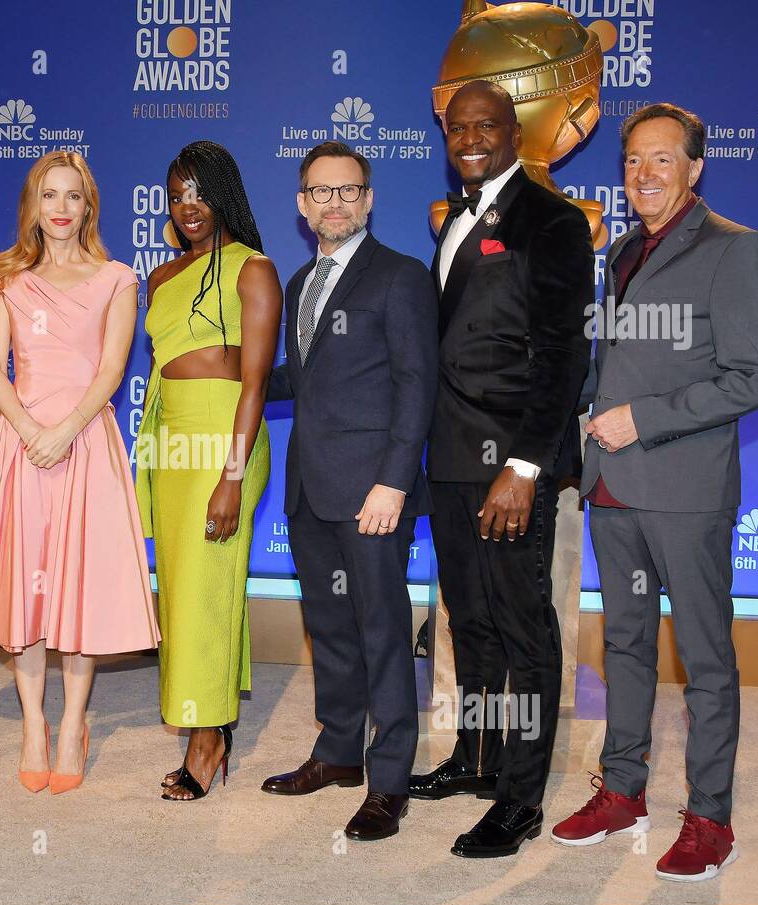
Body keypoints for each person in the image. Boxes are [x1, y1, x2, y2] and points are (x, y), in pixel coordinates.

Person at [552, 103, 758, 881]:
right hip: (612, 486)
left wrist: (641, 419)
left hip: (685, 487)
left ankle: (712, 818)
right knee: (623, 645)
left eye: (661, 159)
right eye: (632, 162)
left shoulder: (733, 249)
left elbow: (756, 376)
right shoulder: (620, 251)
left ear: (694, 167)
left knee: (706, 659)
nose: (643, 175)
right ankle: (623, 790)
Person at [411, 81, 593, 858]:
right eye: (460, 128)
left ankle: (519, 798)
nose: (473, 138)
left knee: (524, 628)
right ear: (445, 136)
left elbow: (563, 354)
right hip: (451, 458)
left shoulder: (552, 220)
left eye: (488, 126)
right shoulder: (455, 216)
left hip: (510, 462)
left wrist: (525, 464)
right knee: (471, 621)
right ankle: (475, 760)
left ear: (516, 133)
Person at [0, 152, 159, 794]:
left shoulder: (119, 278)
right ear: (33, 208)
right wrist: (29, 430)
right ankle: (33, 725)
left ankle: (72, 724)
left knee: (78, 585)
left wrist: (63, 433)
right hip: (19, 443)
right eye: (49, 196)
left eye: (73, 196)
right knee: (25, 587)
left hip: (84, 442)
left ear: (88, 205)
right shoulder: (7, 274)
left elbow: (110, 372)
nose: (61, 208)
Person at [258, 142, 438, 842]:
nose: (334, 202)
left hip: (372, 495)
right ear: (302, 205)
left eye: (348, 190)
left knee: (383, 634)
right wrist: (223, 380)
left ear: (367, 200)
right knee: (330, 631)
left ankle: (389, 780)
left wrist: (395, 480)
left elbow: (416, 385)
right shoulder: (302, 281)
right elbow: (302, 381)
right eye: (319, 192)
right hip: (310, 490)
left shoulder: (400, 277)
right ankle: (337, 753)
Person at [136, 140, 280, 801]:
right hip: (171, 439)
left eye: (197, 191)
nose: (186, 206)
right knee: (184, 592)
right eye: (175, 195)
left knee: (208, 585)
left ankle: (210, 736)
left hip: (226, 437)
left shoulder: (253, 269)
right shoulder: (161, 280)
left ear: (222, 192)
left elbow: (253, 384)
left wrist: (230, 474)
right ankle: (204, 712)